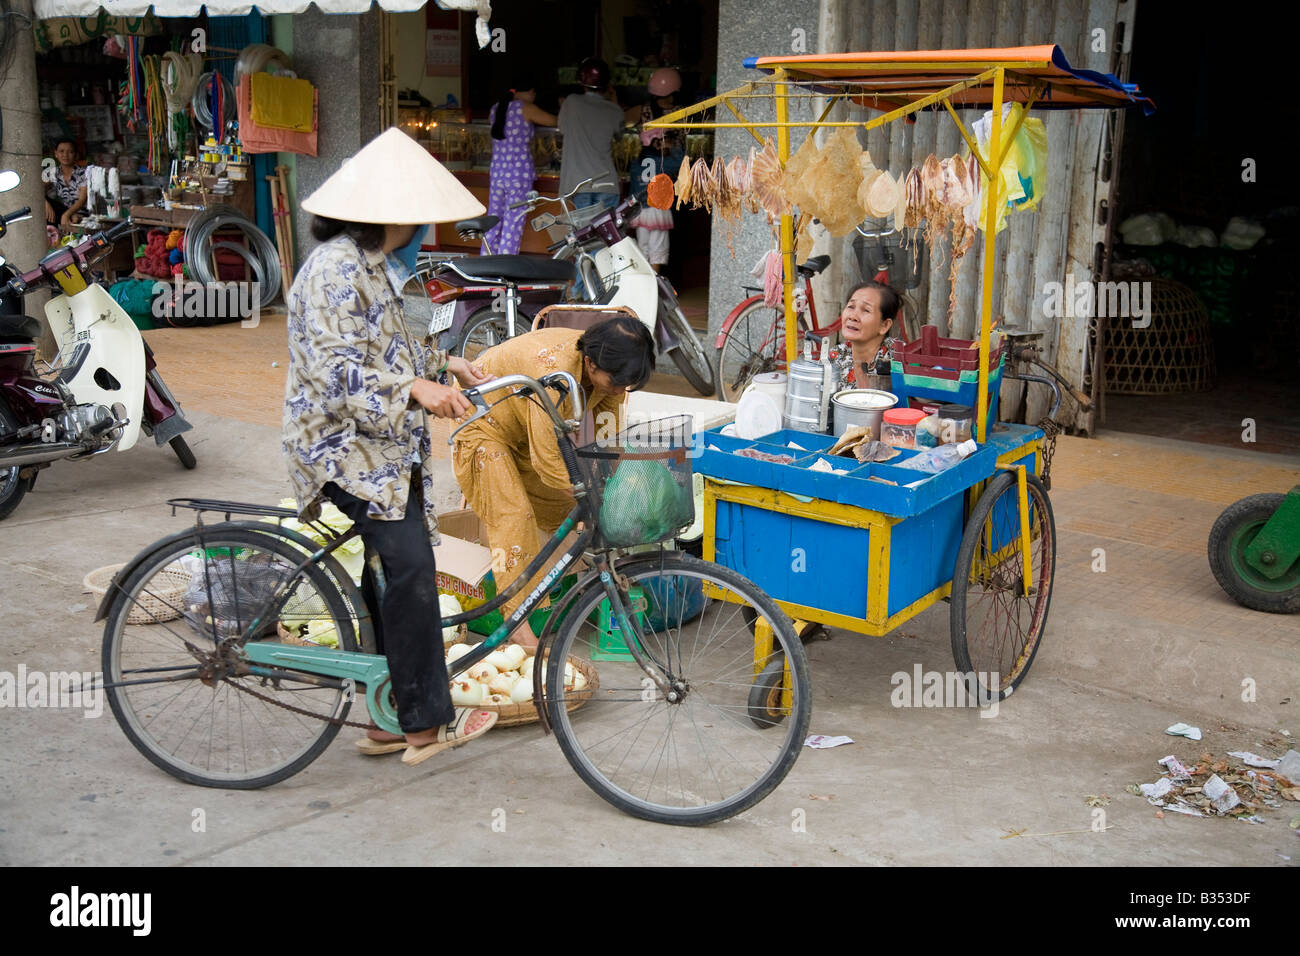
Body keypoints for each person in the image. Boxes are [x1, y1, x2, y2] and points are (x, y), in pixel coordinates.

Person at [283, 127, 498, 766]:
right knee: (409, 572)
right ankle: (424, 723)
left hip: (382, 448)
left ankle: (385, 716)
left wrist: (447, 364)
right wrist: (416, 389)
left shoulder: (378, 267)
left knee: (395, 572)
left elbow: (392, 346)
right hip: (341, 448)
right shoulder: (334, 269)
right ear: (393, 216)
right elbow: (337, 370)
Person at [452, 315, 655, 647]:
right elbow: (548, 462)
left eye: (627, 384)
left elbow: (606, 439)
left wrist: (613, 486)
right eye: (617, 382)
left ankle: (577, 594)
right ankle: (516, 628)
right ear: (590, 363)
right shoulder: (553, 374)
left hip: (525, 434)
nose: (621, 390)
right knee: (514, 518)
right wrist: (593, 498)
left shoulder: (612, 372)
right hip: (482, 425)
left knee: (569, 512)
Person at [483, 78, 556, 255]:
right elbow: (554, 121)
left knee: (493, 219)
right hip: (518, 173)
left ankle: (486, 260)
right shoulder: (526, 108)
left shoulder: (495, 109)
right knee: (513, 222)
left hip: (497, 172)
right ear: (530, 92)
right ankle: (505, 265)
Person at [628, 68, 685, 272]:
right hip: (660, 206)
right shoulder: (666, 162)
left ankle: (643, 280)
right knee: (659, 248)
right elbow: (679, 162)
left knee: (642, 246)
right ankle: (654, 282)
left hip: (640, 208)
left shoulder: (636, 163)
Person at [558, 57, 626, 212]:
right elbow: (619, 136)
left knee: (582, 235)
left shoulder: (571, 102)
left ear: (582, 81)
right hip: (607, 184)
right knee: (605, 235)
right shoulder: (615, 111)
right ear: (607, 84)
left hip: (579, 184)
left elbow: (562, 129)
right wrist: (613, 99)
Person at [836, 280, 901, 387]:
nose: (853, 317)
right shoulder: (836, 356)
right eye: (851, 307)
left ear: (884, 325)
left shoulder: (898, 358)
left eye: (866, 310)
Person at [45, 139, 87, 230]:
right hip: (62, 212)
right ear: (56, 154)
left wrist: (67, 214)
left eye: (70, 152)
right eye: (61, 151)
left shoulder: (83, 173)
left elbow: (82, 199)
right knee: (43, 201)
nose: (65, 155)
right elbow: (37, 190)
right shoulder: (54, 173)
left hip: (81, 212)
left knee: (75, 218)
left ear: (75, 155)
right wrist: (45, 203)